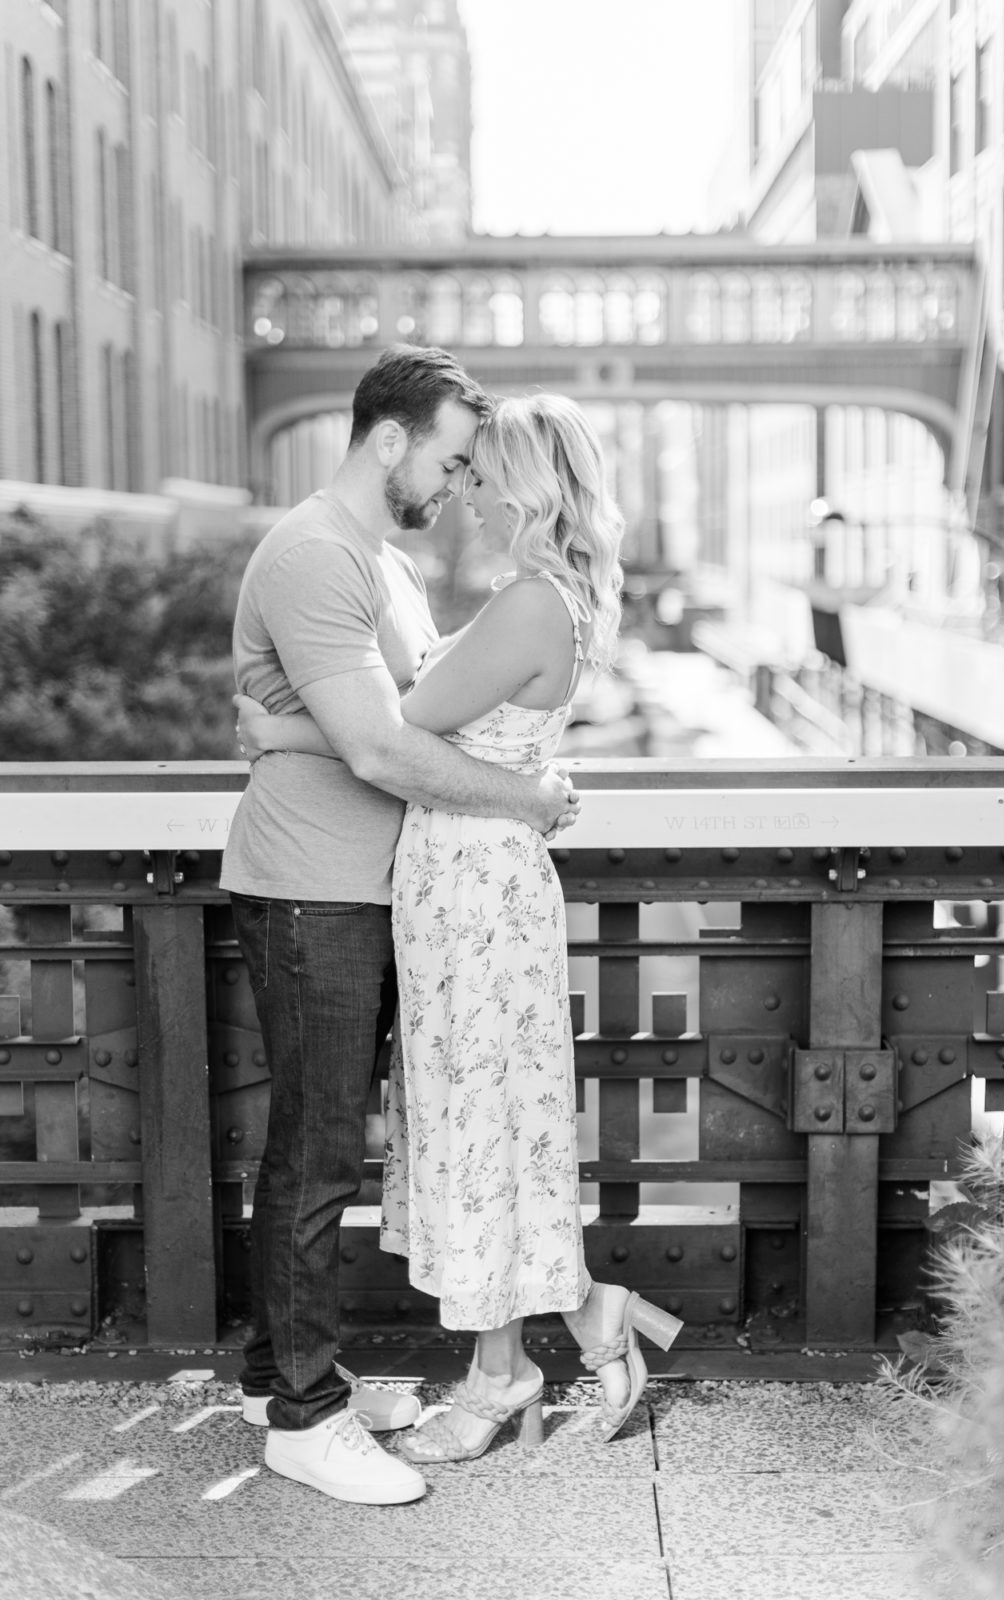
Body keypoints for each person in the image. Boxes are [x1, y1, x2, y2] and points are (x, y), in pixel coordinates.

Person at [236, 392, 683, 1468]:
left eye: (481, 477)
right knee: (482, 1125)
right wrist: (526, 782)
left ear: (527, 489)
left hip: (472, 889)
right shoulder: (533, 599)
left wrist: (273, 724)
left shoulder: (528, 605)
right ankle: (584, 1323)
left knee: (479, 1125)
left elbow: (389, 736)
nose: (464, 495)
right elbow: (426, 720)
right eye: (461, 470)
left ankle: (506, 1372)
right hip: (459, 883)